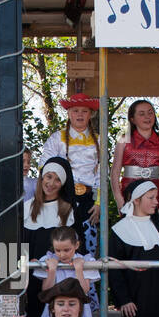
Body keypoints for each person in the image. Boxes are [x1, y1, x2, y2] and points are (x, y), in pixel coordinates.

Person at [109, 180, 159, 317]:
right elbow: (114, 270)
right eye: (151, 198)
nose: (156, 202)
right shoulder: (120, 230)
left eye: (156, 197)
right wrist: (124, 299)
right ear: (136, 200)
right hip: (135, 302)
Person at [40, 94, 103, 251]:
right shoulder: (56, 138)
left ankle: (85, 275)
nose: (80, 115)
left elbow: (102, 173)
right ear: (69, 113)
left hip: (89, 201)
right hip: (63, 198)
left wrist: (99, 202)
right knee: (61, 242)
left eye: (84, 111)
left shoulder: (99, 140)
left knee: (87, 245)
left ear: (90, 114)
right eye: (75, 110)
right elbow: (44, 167)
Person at [23, 157, 77, 313]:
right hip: (32, 276)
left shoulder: (68, 210)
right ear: (42, 177)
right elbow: (20, 243)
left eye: (58, 180)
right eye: (49, 177)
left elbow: (76, 245)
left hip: (61, 275)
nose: (51, 183)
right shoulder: (27, 208)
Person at [111, 99, 159, 218]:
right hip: (130, 197)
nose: (147, 117)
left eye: (150, 113)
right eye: (141, 114)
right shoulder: (124, 140)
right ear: (132, 119)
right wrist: (119, 201)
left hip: (156, 197)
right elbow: (115, 173)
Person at [33, 225, 99, 317]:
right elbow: (46, 291)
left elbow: (84, 290)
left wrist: (79, 270)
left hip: (78, 310)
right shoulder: (48, 260)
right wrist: (52, 270)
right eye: (57, 250)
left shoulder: (85, 261)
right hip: (55, 310)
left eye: (66, 250)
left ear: (76, 245)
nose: (62, 254)